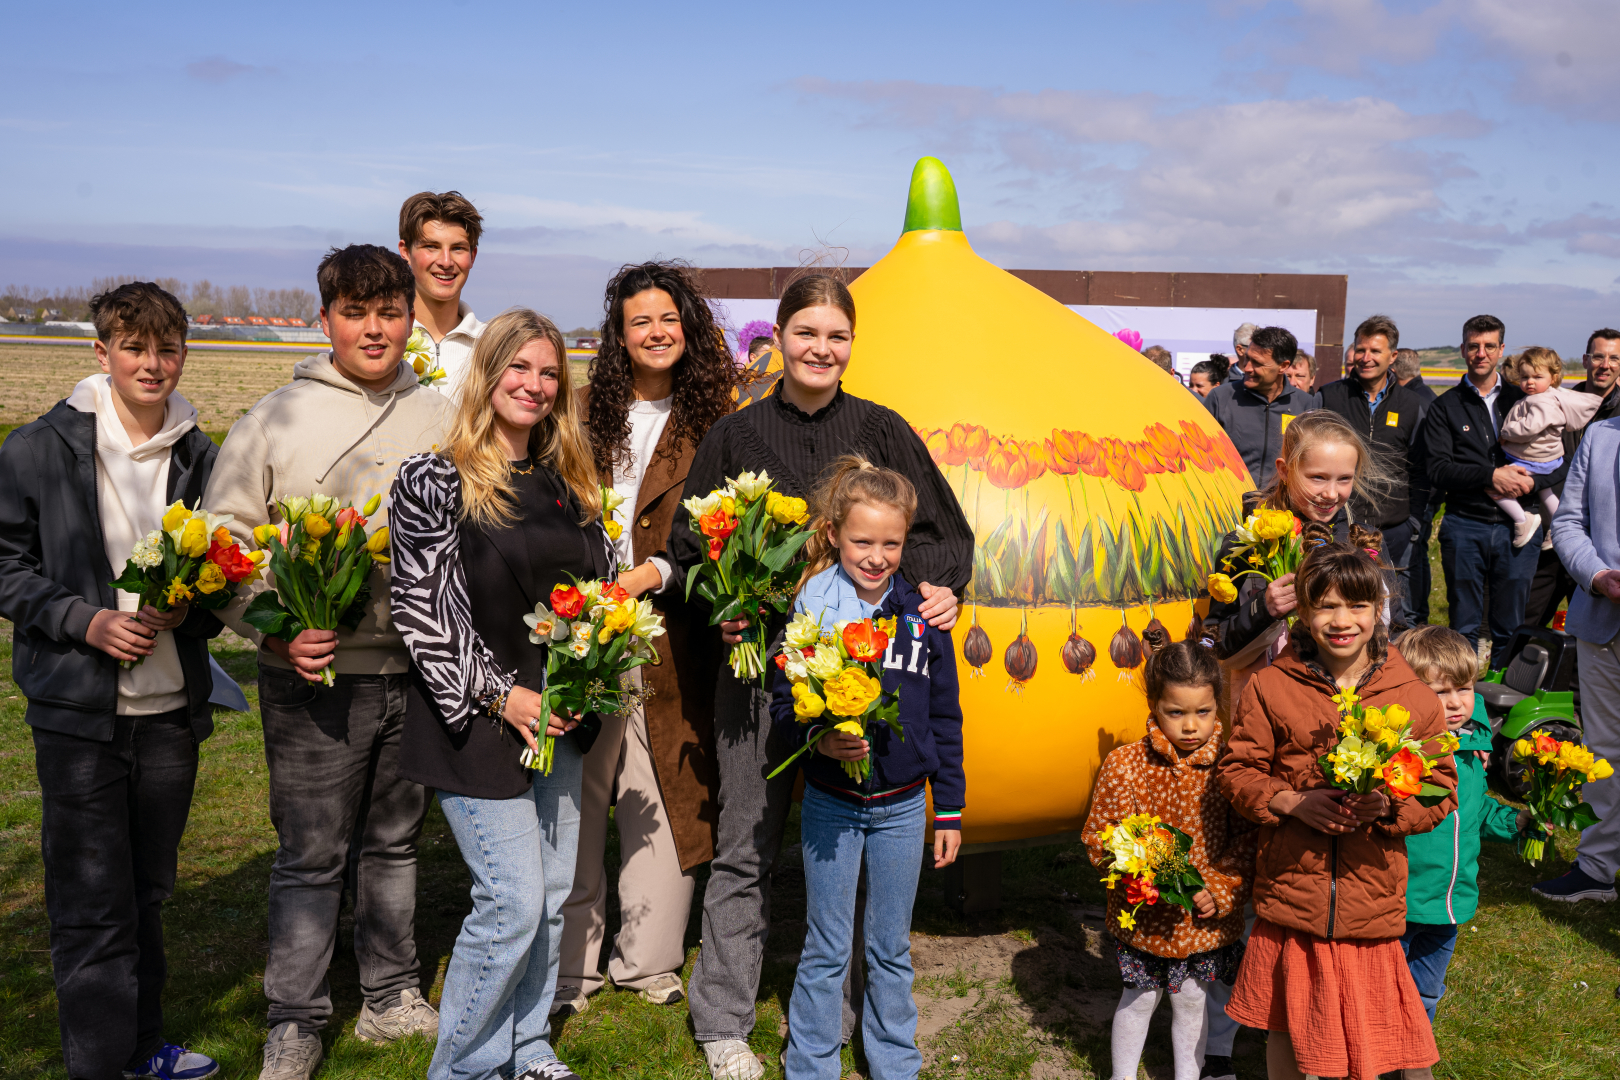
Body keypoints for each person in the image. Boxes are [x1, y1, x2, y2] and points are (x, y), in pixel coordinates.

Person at [669, 273, 974, 1080]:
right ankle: (726, 1017)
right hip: (764, 672)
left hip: (865, 685)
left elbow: (947, 535)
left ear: (850, 344)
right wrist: (725, 606)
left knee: (852, 844)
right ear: (779, 336)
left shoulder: (882, 428)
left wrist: (940, 589)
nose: (821, 348)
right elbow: (688, 539)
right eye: (807, 332)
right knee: (747, 841)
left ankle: (847, 1017)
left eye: (836, 335)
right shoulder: (736, 436)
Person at [205, 245, 454, 1080]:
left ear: (411, 318)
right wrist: (272, 631)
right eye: (356, 312)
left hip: (413, 675)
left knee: (394, 843)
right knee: (311, 854)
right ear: (326, 321)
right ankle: (296, 1018)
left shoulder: (444, 416)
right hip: (315, 679)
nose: (375, 328)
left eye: (390, 311)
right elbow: (224, 546)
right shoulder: (274, 418)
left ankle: (390, 995)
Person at [0, 282, 223, 1080]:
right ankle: (98, 1064)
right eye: (135, 348)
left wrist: (190, 609)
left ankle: (141, 1048)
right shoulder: (37, 449)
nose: (152, 364)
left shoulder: (202, 455)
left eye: (167, 349)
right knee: (92, 904)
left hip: (169, 714)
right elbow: (5, 566)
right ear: (102, 353)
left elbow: (223, 575)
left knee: (147, 893)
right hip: (79, 716)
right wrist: (82, 621)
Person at [390, 308, 612, 1080]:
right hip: (479, 723)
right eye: (519, 368)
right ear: (487, 374)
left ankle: (527, 1047)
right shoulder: (433, 479)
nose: (535, 385)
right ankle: (464, 1067)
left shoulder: (570, 484)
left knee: (551, 899)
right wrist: (502, 696)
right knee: (512, 902)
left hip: (561, 718)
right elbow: (420, 613)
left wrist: (585, 678)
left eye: (550, 373)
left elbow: (598, 597)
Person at [557, 261, 736, 1017]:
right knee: (575, 796)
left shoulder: (718, 421)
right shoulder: (578, 409)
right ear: (619, 335)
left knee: (664, 791)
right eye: (641, 322)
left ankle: (649, 959)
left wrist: (655, 571)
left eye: (669, 319)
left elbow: (720, 528)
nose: (657, 332)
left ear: (688, 328)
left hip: (671, 634)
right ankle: (572, 967)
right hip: (579, 628)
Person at [1219, 536, 1457, 1080]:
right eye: (1325, 605)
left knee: (1371, 1028)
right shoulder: (1270, 685)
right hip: (1292, 890)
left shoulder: (1411, 694)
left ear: (1379, 609)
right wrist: (1290, 801)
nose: (1341, 620)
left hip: (1368, 896)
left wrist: (1388, 808)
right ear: (1302, 611)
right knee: (1287, 1023)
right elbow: (1237, 770)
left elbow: (1439, 786)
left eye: (1356, 605)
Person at [769, 456, 964, 1080]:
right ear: (833, 535)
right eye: (861, 541)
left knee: (889, 945)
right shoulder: (810, 611)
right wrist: (819, 742)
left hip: (904, 806)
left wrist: (950, 808)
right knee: (827, 945)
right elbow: (781, 704)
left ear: (907, 541)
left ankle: (894, 1063)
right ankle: (812, 1063)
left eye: (891, 543)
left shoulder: (925, 614)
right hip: (830, 803)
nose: (876, 556)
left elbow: (944, 717)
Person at [1082, 641, 1254, 1080]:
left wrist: (1219, 890)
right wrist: (1138, 876)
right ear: (1153, 704)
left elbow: (1247, 843)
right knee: (1139, 998)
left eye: (1204, 712)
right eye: (1176, 712)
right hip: (1146, 919)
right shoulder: (1126, 765)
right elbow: (1102, 836)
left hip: (1203, 922)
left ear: (1219, 705)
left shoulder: (1231, 766)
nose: (1191, 726)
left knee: (1193, 999)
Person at [1393, 625, 1525, 1031]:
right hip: (1401, 900)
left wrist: (1517, 822)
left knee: (1427, 991)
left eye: (1464, 689)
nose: (1455, 703)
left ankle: (1412, 1063)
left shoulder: (1470, 751)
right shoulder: (1400, 754)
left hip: (1450, 900)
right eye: (1439, 692)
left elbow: (1472, 811)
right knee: (1382, 991)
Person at [1204, 411, 1386, 678]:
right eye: (1318, 478)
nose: (1331, 493)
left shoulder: (1364, 541)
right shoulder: (1247, 543)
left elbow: (1394, 629)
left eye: (1344, 479)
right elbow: (1213, 642)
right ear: (1285, 471)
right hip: (1267, 691)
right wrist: (1263, 609)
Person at [1421, 314, 1551, 670]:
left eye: (1489, 346)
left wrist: (1530, 483)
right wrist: (1491, 476)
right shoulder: (1444, 407)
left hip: (1519, 530)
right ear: (1463, 349)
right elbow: (1438, 469)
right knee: (1463, 625)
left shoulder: (1523, 398)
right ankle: (1462, 700)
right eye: (1474, 346)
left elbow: (1556, 456)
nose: (1481, 353)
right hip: (1465, 524)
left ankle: (1500, 695)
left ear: (1501, 350)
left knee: (1510, 625)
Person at [1542, 410, 1620, 903]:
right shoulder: (1601, 434)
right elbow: (1569, 522)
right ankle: (1597, 867)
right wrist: (1597, 576)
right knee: (1604, 750)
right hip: (1603, 621)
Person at [1317, 315, 1430, 629]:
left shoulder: (1412, 404)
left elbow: (1420, 468)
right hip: (1340, 525)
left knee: (1396, 614)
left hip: (1394, 528)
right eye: (1361, 350)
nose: (1366, 358)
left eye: (1375, 351)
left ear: (1392, 357)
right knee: (1341, 607)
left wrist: (1414, 522)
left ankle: (1394, 675)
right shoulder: (1328, 397)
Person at [1526, 329, 1620, 626]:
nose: (1605, 364)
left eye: (1614, 357)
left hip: (1602, 548)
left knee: (1594, 624)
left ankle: (1577, 673)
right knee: (1531, 617)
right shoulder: (1558, 401)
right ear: (1585, 360)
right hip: (1555, 532)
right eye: (1598, 356)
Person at [1491, 347, 1602, 549]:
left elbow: (1529, 428)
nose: (1529, 381)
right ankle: (1559, 527)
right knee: (1546, 493)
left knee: (1495, 487)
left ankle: (1523, 520)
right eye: (1524, 377)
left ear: (1553, 377)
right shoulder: (1550, 396)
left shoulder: (1542, 401)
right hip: (1546, 458)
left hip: (1534, 460)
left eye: (1537, 376)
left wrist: (1506, 432)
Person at [1202, 326, 1320, 489]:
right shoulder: (1220, 398)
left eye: (1258, 363)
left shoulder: (1306, 404)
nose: (1248, 368)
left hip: (1282, 510)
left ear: (1283, 366)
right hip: (1230, 507)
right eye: (1247, 359)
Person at [398, 190, 486, 402]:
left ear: (472, 256)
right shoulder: (383, 339)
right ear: (405, 251)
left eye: (458, 248)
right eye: (431, 246)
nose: (446, 262)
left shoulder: (493, 345)